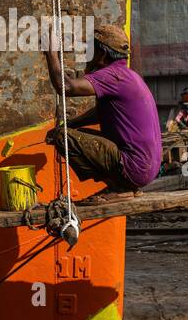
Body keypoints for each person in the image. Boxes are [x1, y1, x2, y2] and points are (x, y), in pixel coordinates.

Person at [44, 23, 162, 198]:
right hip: (147, 168)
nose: (86, 55)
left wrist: (50, 52)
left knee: (62, 137)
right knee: (74, 133)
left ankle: (119, 187)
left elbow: (66, 87)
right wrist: (73, 123)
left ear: (102, 53)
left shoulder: (112, 75)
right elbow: (101, 113)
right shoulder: (128, 75)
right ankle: (125, 186)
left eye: (90, 50)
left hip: (134, 168)